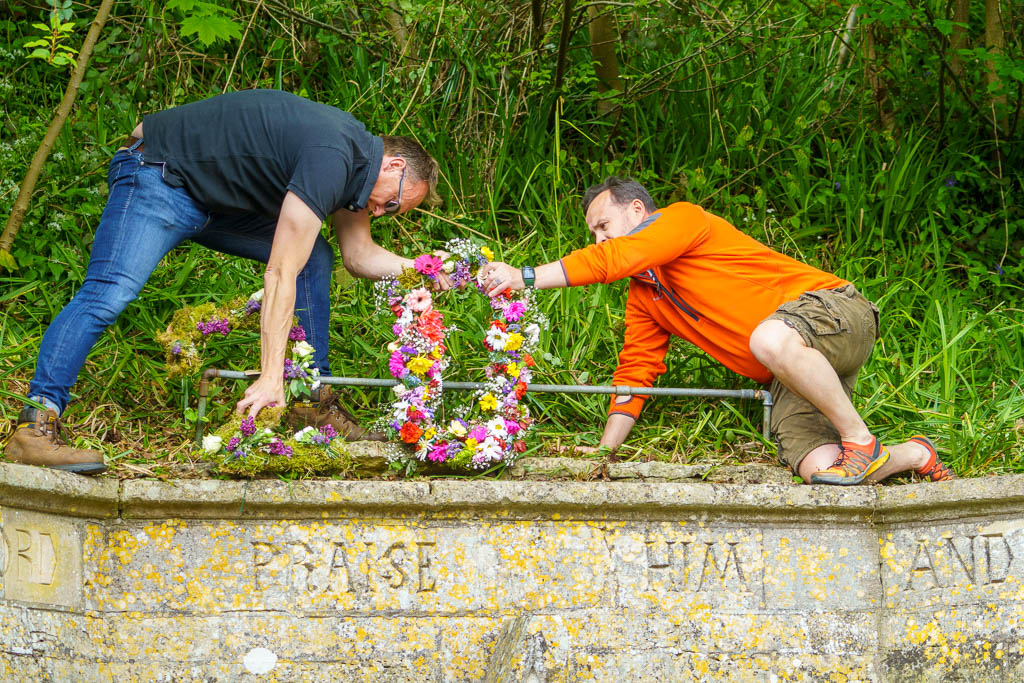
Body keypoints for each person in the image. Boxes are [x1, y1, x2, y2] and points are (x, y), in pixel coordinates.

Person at [6, 89, 449, 475]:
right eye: (391, 205)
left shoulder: (357, 172)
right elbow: (279, 272)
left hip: (215, 200)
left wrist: (432, 270)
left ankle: (310, 405)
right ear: (392, 165)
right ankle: (33, 425)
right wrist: (270, 375)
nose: (381, 212)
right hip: (159, 174)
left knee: (317, 256)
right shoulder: (333, 155)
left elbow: (359, 256)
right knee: (109, 293)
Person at [480, 176, 955, 485]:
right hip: (793, 371)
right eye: (593, 235)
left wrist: (522, 276)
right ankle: (912, 455)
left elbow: (615, 258)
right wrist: (602, 453)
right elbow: (637, 373)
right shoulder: (644, 298)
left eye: (604, 226)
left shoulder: (683, 219)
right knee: (822, 473)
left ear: (638, 211)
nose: (599, 240)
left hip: (835, 314)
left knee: (769, 338)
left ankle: (860, 440)